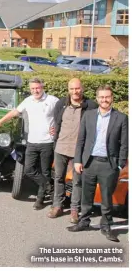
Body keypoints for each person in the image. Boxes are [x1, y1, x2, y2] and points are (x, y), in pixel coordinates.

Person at [67, 85, 128, 242]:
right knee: (86, 196)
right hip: (89, 162)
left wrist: (120, 165)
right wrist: (78, 160)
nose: (104, 100)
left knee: (107, 198)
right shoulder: (88, 115)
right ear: (97, 98)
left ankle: (106, 226)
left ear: (112, 98)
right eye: (101, 97)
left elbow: (124, 144)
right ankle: (84, 222)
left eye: (107, 97)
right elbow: (81, 140)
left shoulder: (121, 118)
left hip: (109, 165)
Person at [0, 78, 59, 210]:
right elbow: (14, 112)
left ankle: (40, 199)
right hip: (32, 141)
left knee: (45, 171)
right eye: (32, 89)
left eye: (37, 88)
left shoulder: (52, 100)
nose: (35, 91)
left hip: (47, 142)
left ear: (42, 87)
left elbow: (62, 114)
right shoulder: (28, 101)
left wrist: (57, 127)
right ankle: (50, 187)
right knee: (29, 169)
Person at [47, 78, 98, 222]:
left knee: (77, 181)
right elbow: (56, 122)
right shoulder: (61, 104)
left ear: (82, 88)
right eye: (72, 89)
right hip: (61, 147)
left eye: (77, 88)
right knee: (58, 178)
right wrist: (54, 132)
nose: (75, 91)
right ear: (68, 90)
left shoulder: (91, 106)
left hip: (79, 151)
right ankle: (57, 205)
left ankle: (74, 209)